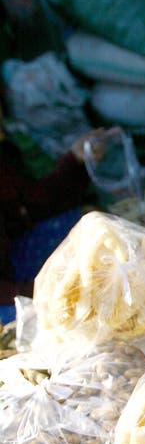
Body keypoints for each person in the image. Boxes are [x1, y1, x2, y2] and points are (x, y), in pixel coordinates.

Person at [0, 110, 106, 308]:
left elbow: (34, 203)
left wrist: (75, 160)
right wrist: (37, 292)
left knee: (95, 228)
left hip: (12, 259)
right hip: (5, 296)